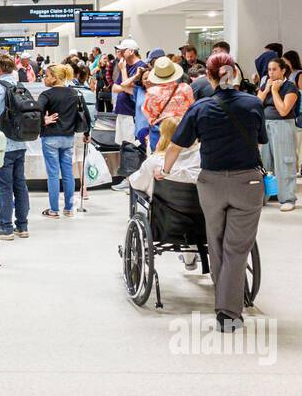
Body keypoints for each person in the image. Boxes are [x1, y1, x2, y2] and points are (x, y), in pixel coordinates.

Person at [156, 53, 266, 331]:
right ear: (236, 74)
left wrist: (165, 172)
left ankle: (223, 303)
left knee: (215, 244)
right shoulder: (253, 104)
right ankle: (229, 312)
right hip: (248, 183)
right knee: (237, 247)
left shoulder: (200, 107)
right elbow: (260, 141)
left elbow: (175, 146)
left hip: (211, 183)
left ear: (210, 77)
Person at [0, 52, 31, 241]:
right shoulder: (19, 86)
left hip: (2, 144)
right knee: (21, 185)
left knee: (4, 187)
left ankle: (6, 227)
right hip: (21, 142)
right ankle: (23, 226)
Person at [37, 63, 90, 218]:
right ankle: (68, 208)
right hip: (68, 138)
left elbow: (36, 112)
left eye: (46, 75)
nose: (44, 78)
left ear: (55, 77)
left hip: (50, 138)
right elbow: (85, 114)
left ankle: (54, 210)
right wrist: (87, 133)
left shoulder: (46, 95)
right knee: (68, 173)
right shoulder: (75, 93)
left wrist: (44, 120)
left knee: (53, 174)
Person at [257, 57, 301, 212]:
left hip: (282, 126)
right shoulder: (265, 84)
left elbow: (283, 110)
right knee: (264, 162)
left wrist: (275, 91)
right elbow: (256, 103)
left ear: (283, 70)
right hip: (265, 125)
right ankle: (263, 196)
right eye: (269, 70)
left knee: (284, 162)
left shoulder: (290, 87)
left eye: (274, 69)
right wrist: (267, 89)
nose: (271, 73)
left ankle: (288, 198)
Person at [109, 39, 147, 190]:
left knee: (131, 146)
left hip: (133, 113)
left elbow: (126, 87)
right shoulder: (127, 66)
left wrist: (124, 75)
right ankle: (128, 177)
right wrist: (125, 86)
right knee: (125, 145)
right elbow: (116, 88)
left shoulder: (140, 68)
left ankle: (131, 179)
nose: (119, 53)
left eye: (122, 50)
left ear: (131, 51)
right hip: (123, 111)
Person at [139, 55, 195, 151]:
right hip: (183, 131)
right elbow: (191, 107)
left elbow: (147, 113)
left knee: (160, 161)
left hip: (161, 133)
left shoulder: (152, 92)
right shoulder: (186, 88)